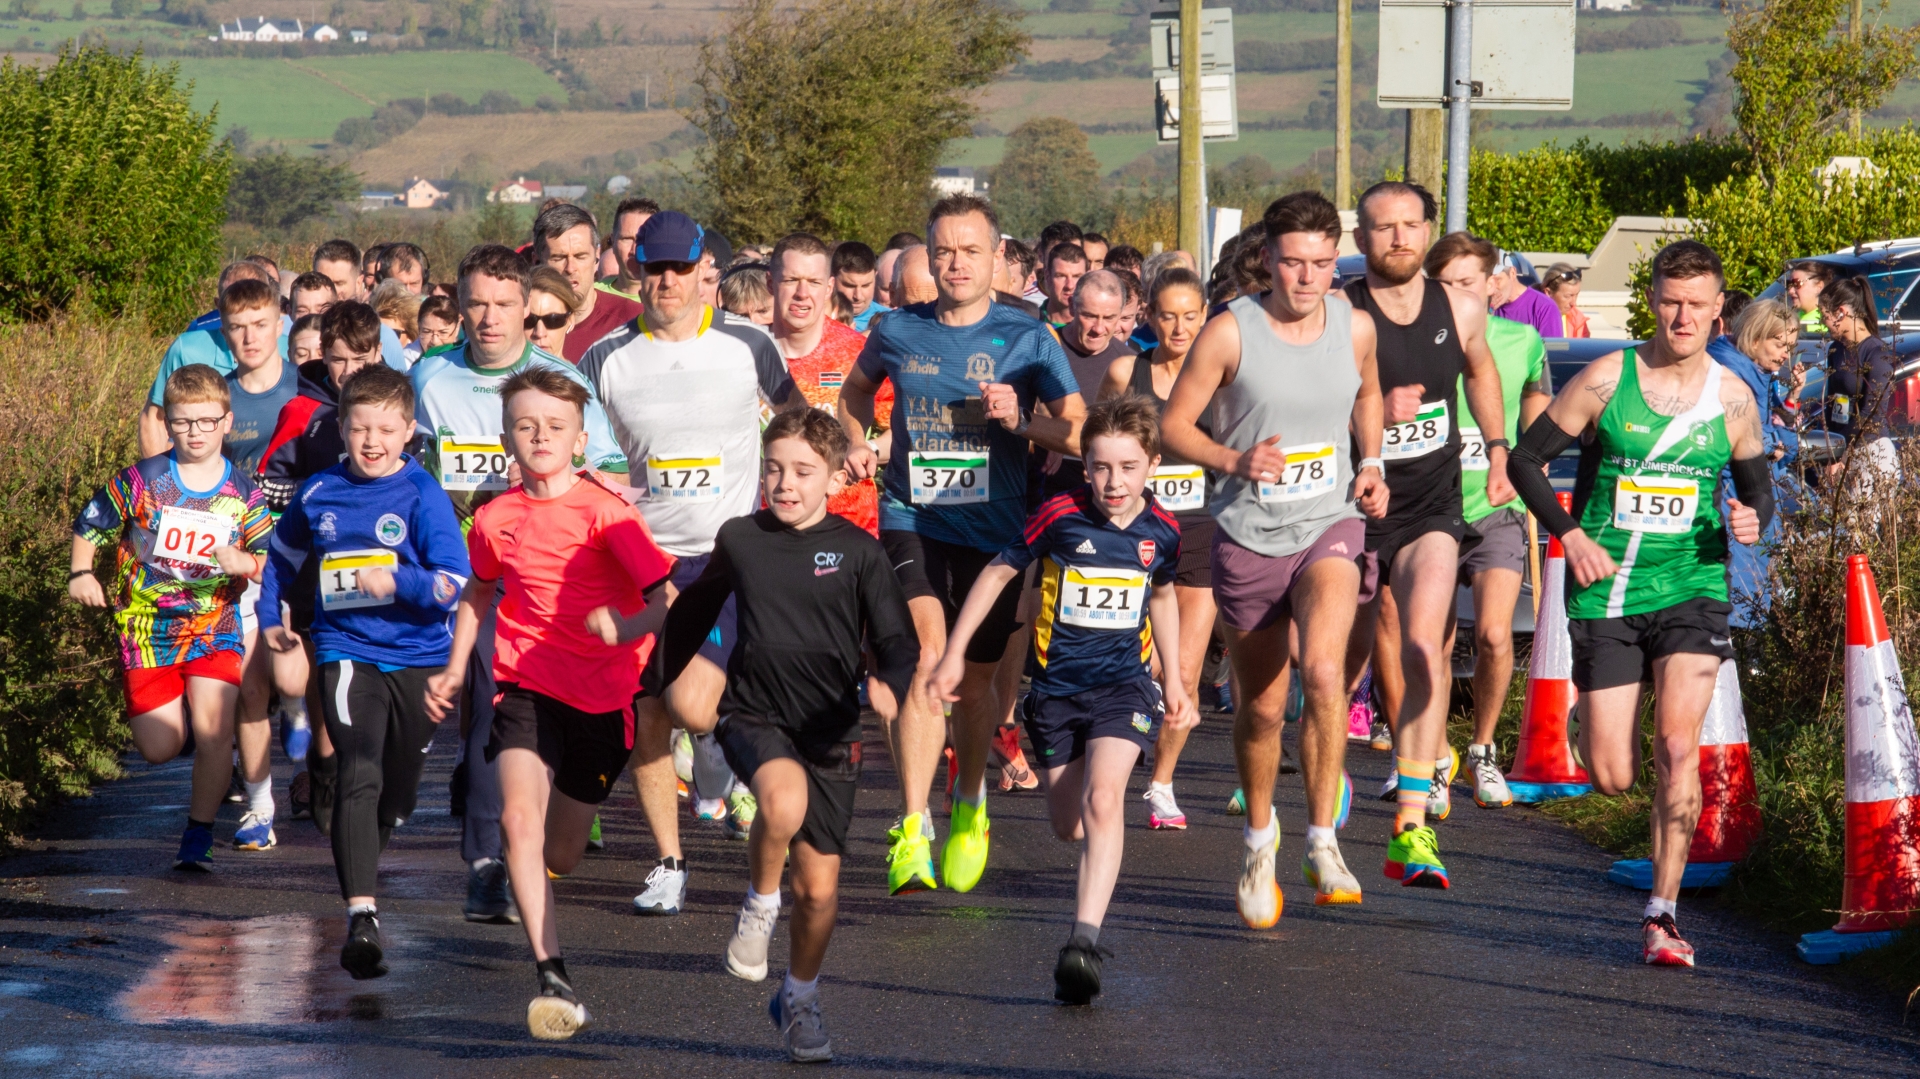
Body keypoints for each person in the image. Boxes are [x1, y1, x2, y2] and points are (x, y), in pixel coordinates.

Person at [1505, 239, 1771, 966]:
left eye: (1697, 304)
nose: (1682, 316)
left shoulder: (1734, 398)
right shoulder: (1603, 378)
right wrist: (1568, 534)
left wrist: (1752, 517)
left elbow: (1760, 492)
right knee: (1613, 772)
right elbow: (1525, 461)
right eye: (1670, 301)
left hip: (1693, 583)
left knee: (1680, 746)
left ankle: (1664, 913)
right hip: (1606, 589)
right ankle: (1587, 718)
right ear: (1651, 302)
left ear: (1720, 310)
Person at [837, 192, 1084, 896]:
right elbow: (854, 396)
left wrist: (1022, 422)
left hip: (998, 531)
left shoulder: (1029, 333)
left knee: (975, 685)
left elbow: (1079, 429)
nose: (955, 263)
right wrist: (858, 444)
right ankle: (911, 828)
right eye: (943, 249)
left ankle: (969, 798)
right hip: (913, 515)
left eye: (970, 250)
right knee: (923, 662)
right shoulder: (896, 329)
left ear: (998, 257)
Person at [653, 409, 917, 1061]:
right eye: (773, 467)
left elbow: (895, 640)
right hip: (753, 711)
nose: (785, 482)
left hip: (830, 725)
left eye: (802, 471)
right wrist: (657, 676)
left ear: (834, 477)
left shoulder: (860, 552)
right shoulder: (741, 537)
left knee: (821, 888)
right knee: (781, 800)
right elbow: (695, 608)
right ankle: (759, 904)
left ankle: (799, 996)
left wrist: (893, 683)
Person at [425, 367, 676, 1040]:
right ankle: (551, 974)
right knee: (516, 820)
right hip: (525, 686)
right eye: (526, 425)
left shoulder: (606, 515)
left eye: (555, 426)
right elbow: (480, 594)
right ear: (506, 433)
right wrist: (454, 670)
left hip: (603, 699)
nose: (540, 436)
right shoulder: (495, 516)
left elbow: (662, 599)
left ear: (580, 437)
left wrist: (623, 629)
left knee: (561, 850)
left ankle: (541, 877)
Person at [1161, 191, 1387, 920]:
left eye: (1323, 263)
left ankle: (1323, 838)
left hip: (1330, 523)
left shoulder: (1354, 325)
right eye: (1294, 262)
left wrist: (1373, 460)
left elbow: (1369, 394)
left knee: (1324, 671)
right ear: (1267, 259)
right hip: (1249, 532)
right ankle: (1262, 838)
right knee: (1260, 708)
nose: (1309, 278)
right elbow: (1172, 426)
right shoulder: (1231, 332)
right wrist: (1235, 458)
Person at [577, 210, 803, 914]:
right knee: (646, 713)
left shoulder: (748, 343)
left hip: (728, 555)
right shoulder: (606, 357)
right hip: (642, 559)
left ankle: (712, 746)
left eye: (680, 268)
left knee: (689, 703)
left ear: (706, 269)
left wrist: (831, 459)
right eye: (654, 269)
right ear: (636, 270)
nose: (667, 281)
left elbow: (794, 421)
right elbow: (577, 446)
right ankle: (669, 863)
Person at [933, 396, 1192, 1003]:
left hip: (1124, 687)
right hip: (1054, 695)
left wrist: (1175, 680)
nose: (1114, 482)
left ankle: (1083, 943)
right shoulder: (1059, 515)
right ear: (1085, 465)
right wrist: (954, 651)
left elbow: (1163, 597)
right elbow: (999, 572)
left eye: (1128, 467)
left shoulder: (1164, 531)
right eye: (1101, 467)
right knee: (1068, 824)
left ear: (1152, 465)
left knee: (1107, 799)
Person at [414, 245, 629, 923]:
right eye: (476, 303)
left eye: (504, 305)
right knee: (481, 709)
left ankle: (502, 852)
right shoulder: (429, 375)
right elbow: (405, 460)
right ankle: (487, 857)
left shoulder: (560, 378)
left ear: (524, 309)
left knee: (503, 714)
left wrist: (545, 478)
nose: (490, 318)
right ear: (458, 302)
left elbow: (615, 473)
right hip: (459, 570)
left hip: (537, 580)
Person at [254, 363, 467, 979]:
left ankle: (359, 827)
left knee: (396, 795)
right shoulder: (319, 492)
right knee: (360, 765)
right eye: (359, 429)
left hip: (419, 657)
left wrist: (396, 579)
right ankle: (362, 916)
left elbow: (452, 583)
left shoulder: (422, 493)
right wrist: (275, 617)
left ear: (407, 433)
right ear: (341, 427)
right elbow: (281, 559)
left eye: (386, 430)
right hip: (345, 648)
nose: (372, 442)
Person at [1341, 181, 1510, 889]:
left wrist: (1499, 448)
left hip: (1432, 505)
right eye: (1384, 228)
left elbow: (1481, 370)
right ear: (1362, 239)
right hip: (1348, 505)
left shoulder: (1461, 307)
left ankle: (1411, 824)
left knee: (1422, 646)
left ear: (1428, 229)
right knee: (1330, 671)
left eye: (1411, 225)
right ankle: (1325, 771)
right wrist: (1373, 408)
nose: (1400, 238)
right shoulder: (1339, 314)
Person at [70, 364, 273, 870]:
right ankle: (183, 727)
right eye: (184, 422)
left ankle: (198, 835)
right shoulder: (145, 479)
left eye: (207, 422)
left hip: (213, 625)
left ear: (227, 422)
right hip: (146, 627)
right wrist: (80, 573)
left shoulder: (244, 493)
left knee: (213, 732)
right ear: (168, 424)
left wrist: (245, 563)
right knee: (161, 748)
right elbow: (92, 522)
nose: (196, 433)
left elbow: (271, 563)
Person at [1423, 233, 1552, 809]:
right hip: (1431, 506)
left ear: (1493, 284)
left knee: (1497, 634)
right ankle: (1430, 759)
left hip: (1497, 507)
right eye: (1445, 284)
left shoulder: (1523, 339)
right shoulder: (1413, 342)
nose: (1457, 294)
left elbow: (1539, 410)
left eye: (1467, 283)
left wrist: (1525, 467)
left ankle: (1482, 750)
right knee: (1436, 641)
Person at [1096, 266, 1213, 829]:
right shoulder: (1126, 369)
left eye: (1192, 315)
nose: (1180, 326)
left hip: (1201, 530)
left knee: (1182, 672)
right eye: (1168, 315)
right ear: (1149, 317)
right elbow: (1096, 440)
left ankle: (1160, 785)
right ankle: (1110, 760)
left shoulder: (1222, 374)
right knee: (1124, 664)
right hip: (1133, 532)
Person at [769, 233, 894, 536]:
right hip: (767, 529)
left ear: (828, 288)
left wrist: (866, 448)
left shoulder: (859, 352)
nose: (802, 293)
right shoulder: (745, 353)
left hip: (849, 527)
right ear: (770, 283)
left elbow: (903, 429)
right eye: (790, 281)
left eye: (813, 282)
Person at [138, 260, 290, 456]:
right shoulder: (187, 349)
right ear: (218, 305)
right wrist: (161, 481)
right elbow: (154, 417)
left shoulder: (290, 349)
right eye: (233, 299)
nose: (250, 337)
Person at [1710, 298, 1799, 626]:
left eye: (1789, 346)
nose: (1785, 354)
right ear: (1755, 336)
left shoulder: (1754, 371)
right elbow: (1752, 439)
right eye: (1779, 343)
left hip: (1747, 500)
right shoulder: (1732, 372)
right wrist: (1788, 444)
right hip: (1734, 501)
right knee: (1740, 605)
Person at [1034, 269, 1135, 502]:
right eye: (1090, 316)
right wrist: (1052, 436)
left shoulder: (1129, 364)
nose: (1099, 329)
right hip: (1043, 487)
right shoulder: (1042, 348)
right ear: (1072, 306)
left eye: (1109, 318)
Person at [532, 202, 646, 363]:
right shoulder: (519, 326)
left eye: (580, 257)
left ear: (597, 256)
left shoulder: (634, 320)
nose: (570, 268)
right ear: (536, 260)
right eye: (559, 258)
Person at [1819, 274, 1898, 493]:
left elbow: (1872, 412)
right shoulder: (1836, 350)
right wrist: (1829, 456)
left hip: (1870, 452)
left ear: (1841, 313)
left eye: (1824, 316)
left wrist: (1844, 456)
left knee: (1861, 525)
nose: (1822, 323)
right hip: (1840, 454)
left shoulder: (1876, 352)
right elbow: (1832, 405)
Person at [1488, 251, 1563, 340]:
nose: (1491, 287)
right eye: (1487, 282)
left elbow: (1552, 351)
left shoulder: (1545, 308)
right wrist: (1489, 311)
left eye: (1497, 280)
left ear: (1512, 273)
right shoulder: (1486, 306)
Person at [602, 196, 661, 297]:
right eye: (627, 239)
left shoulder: (671, 300)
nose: (634, 250)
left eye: (644, 240)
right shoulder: (590, 298)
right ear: (613, 242)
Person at [525, 266, 581, 359]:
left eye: (553, 320)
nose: (539, 333)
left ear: (570, 320)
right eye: (529, 320)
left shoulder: (580, 373)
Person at [830, 241, 887, 332]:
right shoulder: (813, 318)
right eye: (850, 286)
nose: (858, 296)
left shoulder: (890, 321)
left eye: (865, 285)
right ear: (831, 278)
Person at [1042, 242, 1089, 326]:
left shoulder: (1096, 328)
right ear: (1047, 276)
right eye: (1061, 276)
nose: (1069, 286)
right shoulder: (1029, 324)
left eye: (1076, 276)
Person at [1783, 259, 1834, 335]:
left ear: (1818, 287)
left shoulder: (1820, 323)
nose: (1790, 291)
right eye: (1789, 284)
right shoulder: (1795, 315)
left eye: (1797, 284)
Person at [1541, 263, 1589, 338]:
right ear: (1548, 293)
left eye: (1576, 295)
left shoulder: (1577, 319)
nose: (1574, 303)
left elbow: (1585, 348)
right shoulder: (1532, 317)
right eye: (1568, 296)